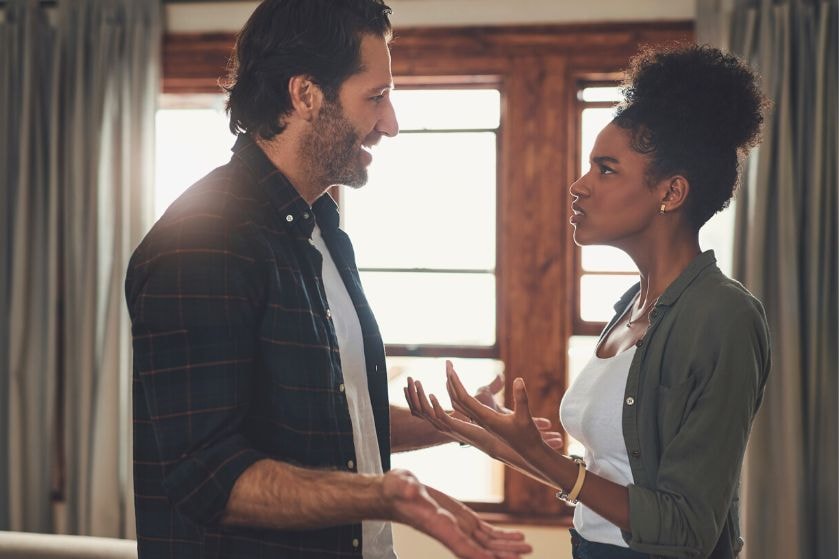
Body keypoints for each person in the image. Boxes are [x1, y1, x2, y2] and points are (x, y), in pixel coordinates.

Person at [125, 1, 547, 558]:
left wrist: (454, 427)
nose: (391, 124)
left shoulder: (319, 227)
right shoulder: (204, 239)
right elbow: (209, 477)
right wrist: (387, 497)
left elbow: (331, 422)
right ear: (305, 95)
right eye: (376, 96)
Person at [405, 44, 771, 559]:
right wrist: (482, 436)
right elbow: (609, 479)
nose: (578, 187)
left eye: (605, 170)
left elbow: (688, 527)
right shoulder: (631, 304)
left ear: (671, 192)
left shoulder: (724, 317)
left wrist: (547, 461)